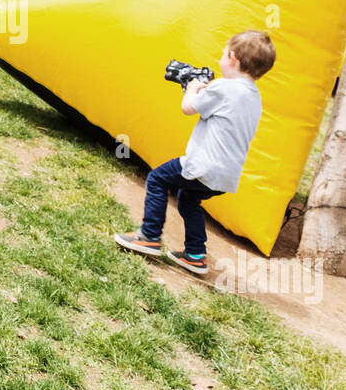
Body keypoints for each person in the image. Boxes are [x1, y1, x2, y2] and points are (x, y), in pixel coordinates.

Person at [114, 30, 276, 275]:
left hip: (203, 164)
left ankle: (149, 236)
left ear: (232, 58)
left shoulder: (224, 87)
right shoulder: (254, 97)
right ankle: (195, 255)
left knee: (157, 179)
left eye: (223, 53)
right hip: (226, 175)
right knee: (189, 199)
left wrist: (191, 87)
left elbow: (188, 108)